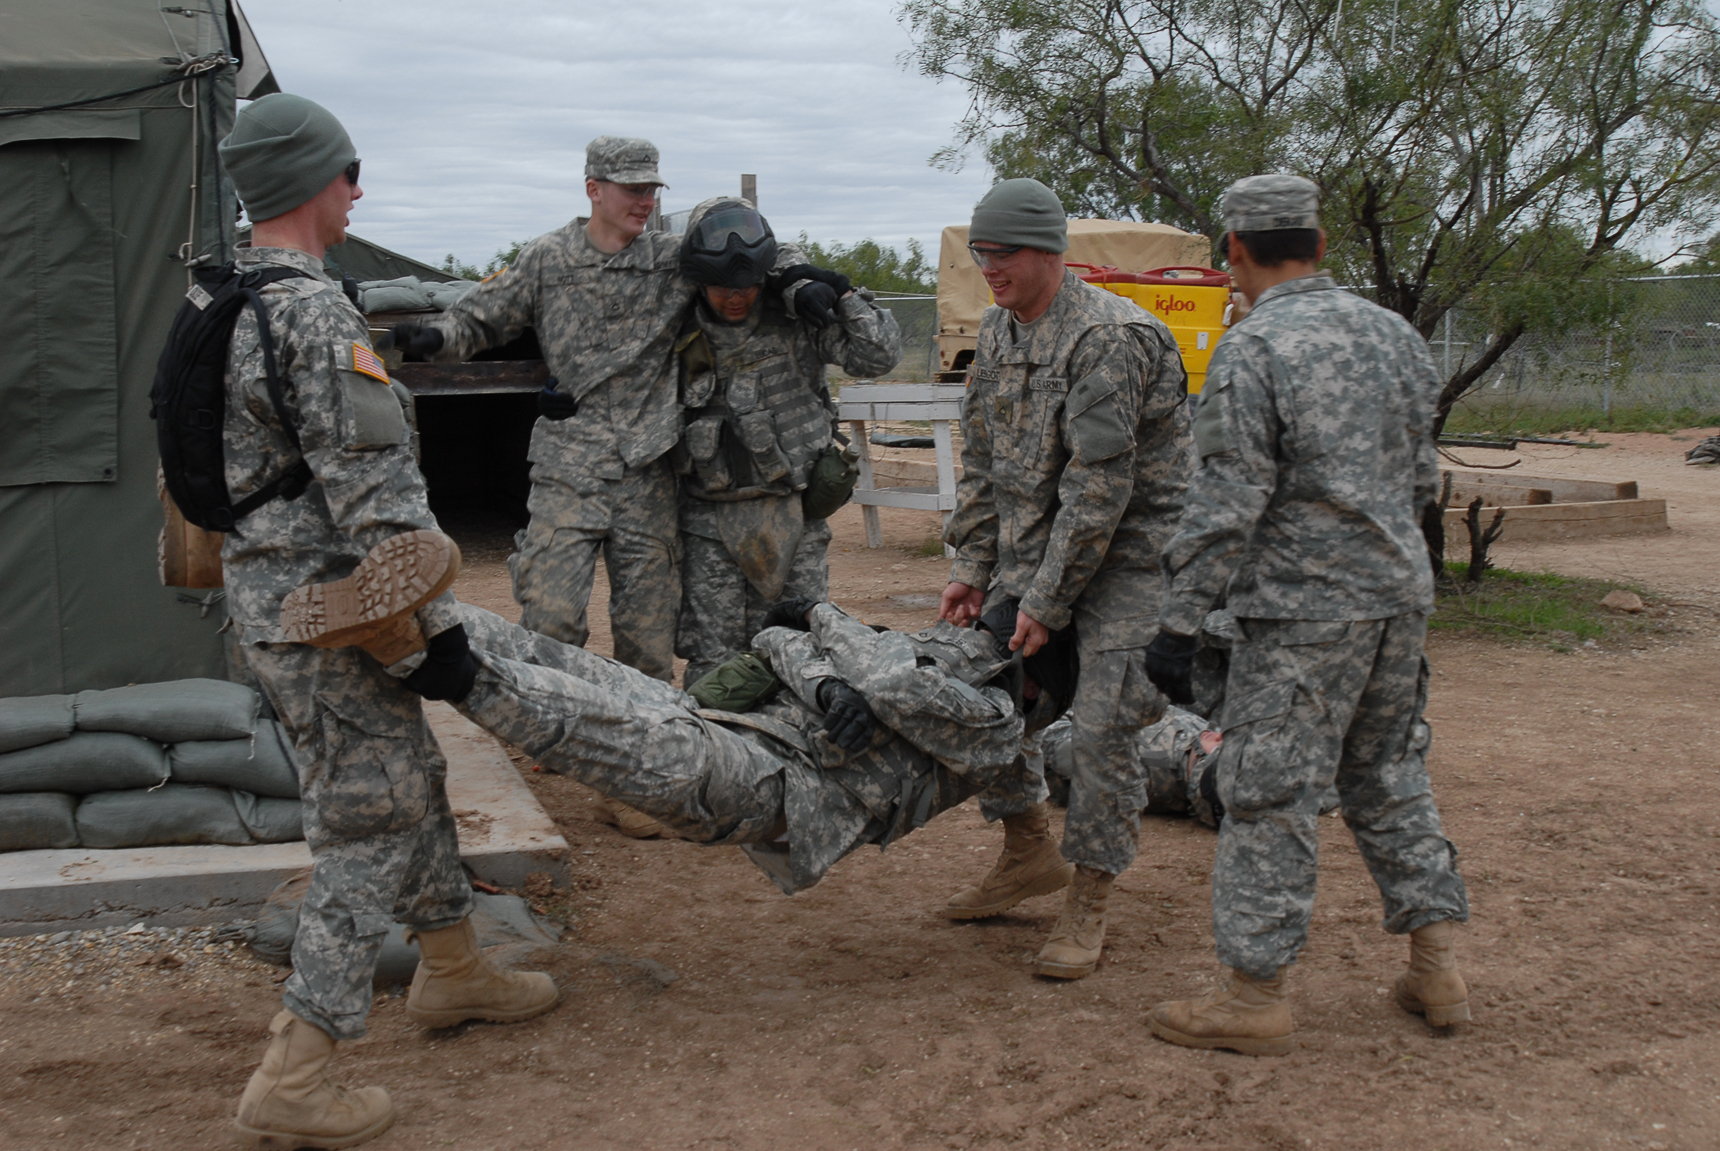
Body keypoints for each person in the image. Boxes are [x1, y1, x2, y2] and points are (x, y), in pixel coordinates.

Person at [213, 94, 557, 1150]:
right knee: (368, 822)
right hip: (340, 617)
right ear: (317, 183)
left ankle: (452, 970)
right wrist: (434, 631)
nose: (359, 188)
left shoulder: (217, 300)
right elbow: (380, 506)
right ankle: (297, 1069)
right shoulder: (313, 315)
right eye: (349, 168)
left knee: (405, 779)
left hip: (275, 604)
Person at [1143, 174, 1471, 1057]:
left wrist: (1178, 622)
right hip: (1397, 596)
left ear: (1234, 253)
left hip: (1300, 615)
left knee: (1269, 790)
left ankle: (1254, 995)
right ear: (1320, 246)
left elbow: (1226, 499)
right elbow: (1419, 479)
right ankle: (1435, 964)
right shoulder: (1396, 336)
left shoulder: (1252, 351)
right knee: (1389, 770)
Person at [285, 536, 1071, 898]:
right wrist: (827, 679)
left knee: (596, 726)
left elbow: (889, 682)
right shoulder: (941, 658)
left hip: (781, 791)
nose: (973, 628)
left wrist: (826, 625)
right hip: (739, 722)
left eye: (997, 630)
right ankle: (423, 614)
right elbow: (776, 635)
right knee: (573, 668)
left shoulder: (995, 718)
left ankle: (420, 654)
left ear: (1028, 669)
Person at [938, 178, 1192, 979]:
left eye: (1002, 253)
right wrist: (974, 569)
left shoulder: (1110, 337)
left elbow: (1099, 491)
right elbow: (980, 460)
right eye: (980, 254)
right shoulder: (999, 330)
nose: (989, 269)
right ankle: (1025, 849)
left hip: (1127, 560)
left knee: (1105, 725)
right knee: (982, 689)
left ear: (1048, 252)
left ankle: (1089, 897)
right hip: (1037, 549)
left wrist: (1045, 602)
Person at [672, 196, 902, 686]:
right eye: (721, 287)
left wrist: (834, 290)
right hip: (709, 524)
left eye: (748, 285)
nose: (736, 298)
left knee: (801, 653)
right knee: (716, 664)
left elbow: (879, 354)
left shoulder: (797, 314)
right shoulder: (675, 322)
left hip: (795, 516)